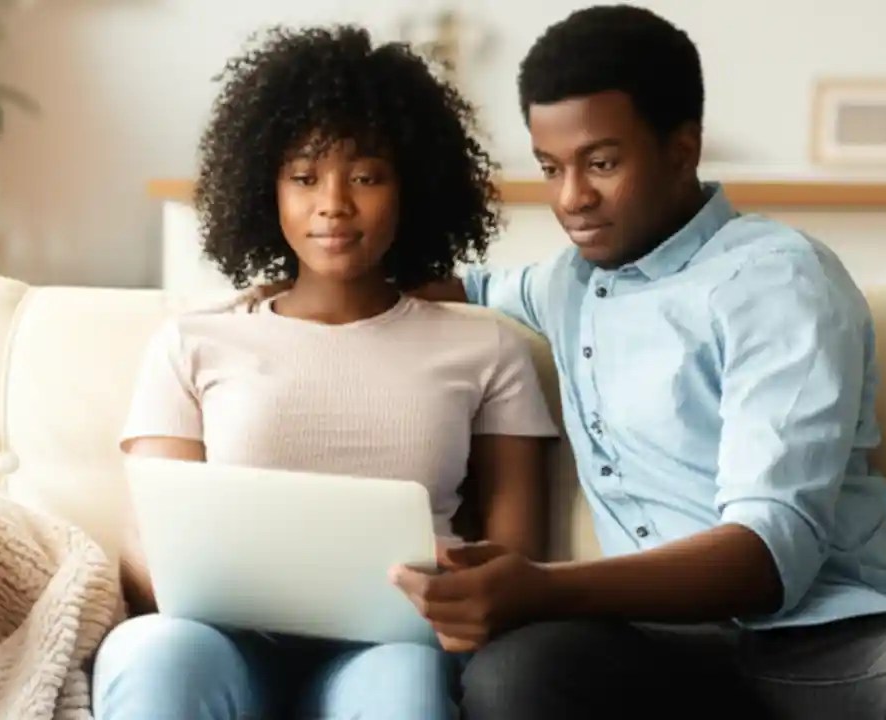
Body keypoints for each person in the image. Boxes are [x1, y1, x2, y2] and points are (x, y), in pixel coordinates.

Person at [386, 6, 886, 719]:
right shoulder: (569, 282)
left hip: (834, 647)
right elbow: (462, 285)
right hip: (658, 656)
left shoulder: (777, 280)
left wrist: (545, 586)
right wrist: (306, 285)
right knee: (516, 673)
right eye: (551, 168)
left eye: (602, 163)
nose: (572, 199)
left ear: (683, 149)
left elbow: (766, 558)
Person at [90, 25, 558, 720]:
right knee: (152, 653)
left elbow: (517, 556)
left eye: (366, 176)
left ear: (412, 187)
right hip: (221, 642)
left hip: (392, 643)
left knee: (400, 691)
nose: (333, 203)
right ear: (266, 189)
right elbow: (149, 535)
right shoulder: (192, 343)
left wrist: (458, 582)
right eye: (304, 178)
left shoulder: (488, 352)